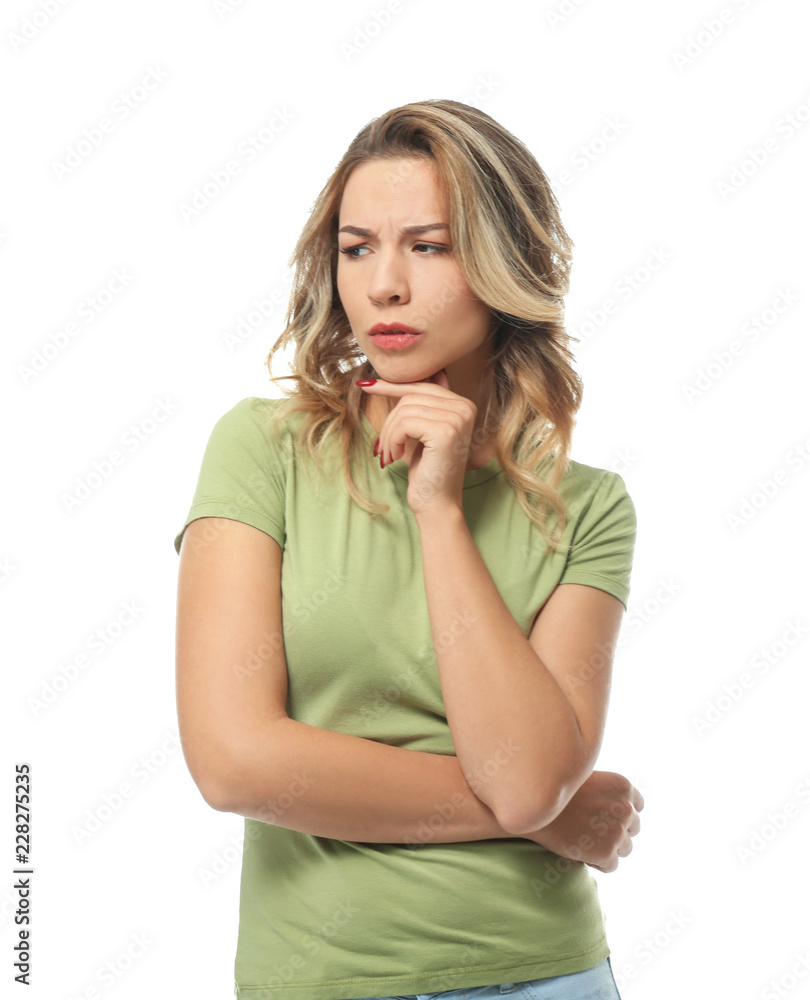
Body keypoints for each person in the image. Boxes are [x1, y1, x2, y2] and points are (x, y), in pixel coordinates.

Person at [173, 99, 644, 1000]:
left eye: (429, 245)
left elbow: (530, 775)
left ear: (508, 263)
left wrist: (440, 511)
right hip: (327, 977)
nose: (384, 285)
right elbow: (234, 762)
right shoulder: (263, 451)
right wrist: (549, 819)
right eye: (357, 249)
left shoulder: (589, 508)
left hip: (548, 973)